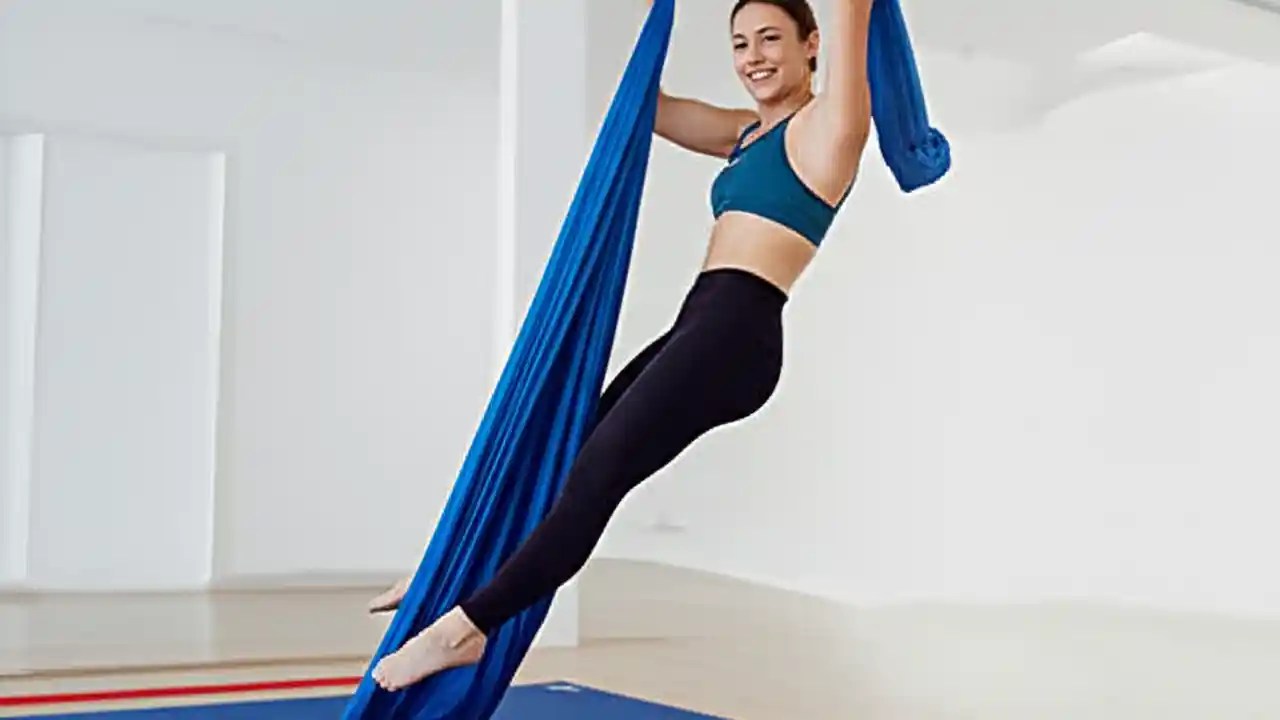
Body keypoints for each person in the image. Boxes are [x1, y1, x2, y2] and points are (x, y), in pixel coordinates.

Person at [368, 0, 874, 691]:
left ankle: (465, 628)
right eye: (739, 44)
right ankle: (451, 575)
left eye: (771, 40)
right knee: (567, 457)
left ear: (813, 44)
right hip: (700, 326)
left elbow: (853, 14)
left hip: (738, 335)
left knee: (593, 478)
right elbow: (650, 105)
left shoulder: (833, 128)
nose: (753, 56)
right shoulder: (746, 134)